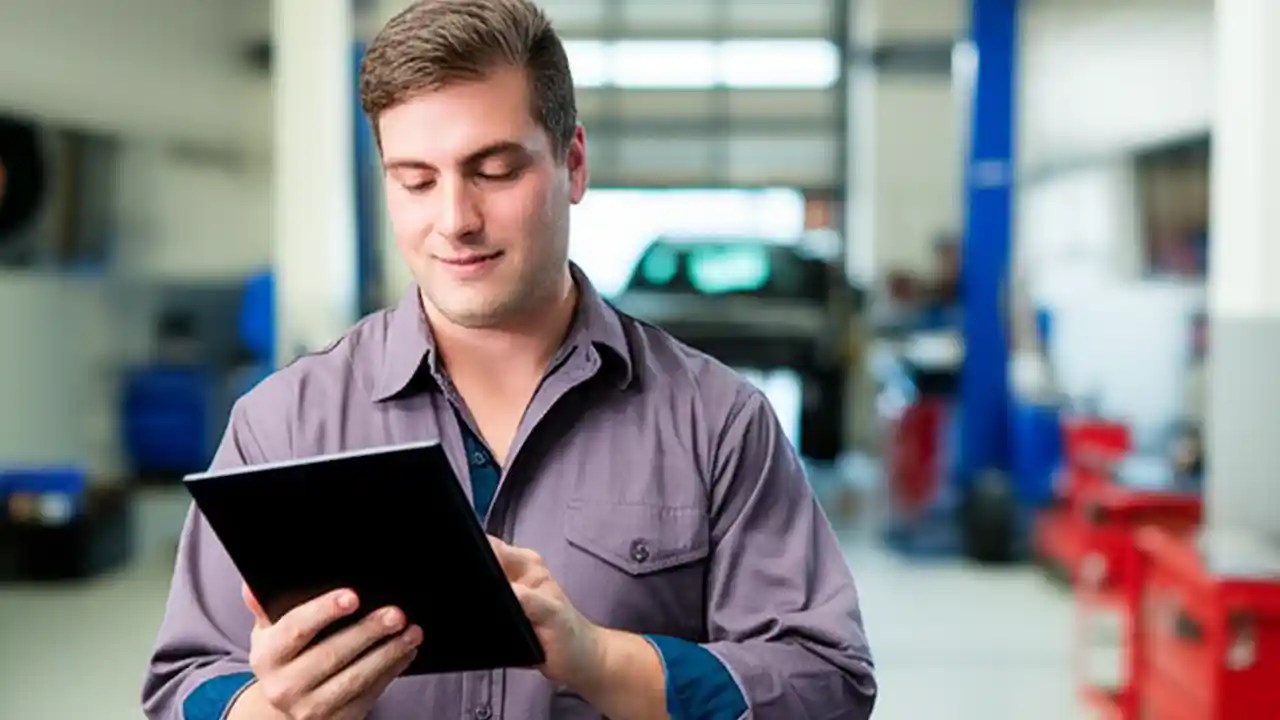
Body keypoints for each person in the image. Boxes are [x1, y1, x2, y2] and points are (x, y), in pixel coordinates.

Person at [141, 1, 876, 718]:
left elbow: (826, 681)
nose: (455, 220)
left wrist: (599, 660)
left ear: (573, 163)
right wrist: (276, 710)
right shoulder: (282, 424)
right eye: (417, 180)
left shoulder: (715, 421)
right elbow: (185, 684)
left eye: (493, 171)